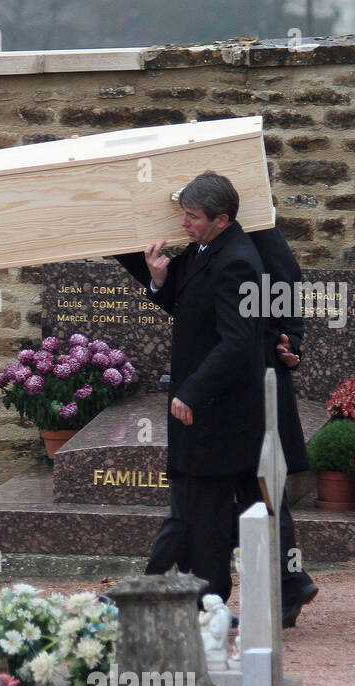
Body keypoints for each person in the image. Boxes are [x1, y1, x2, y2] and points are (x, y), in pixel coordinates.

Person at [114, 172, 266, 604]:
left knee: (203, 513)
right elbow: (188, 303)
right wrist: (158, 279)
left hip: (216, 410)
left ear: (221, 219)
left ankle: (194, 596)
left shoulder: (237, 260)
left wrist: (193, 391)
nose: (183, 225)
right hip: (200, 407)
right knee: (191, 508)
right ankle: (163, 591)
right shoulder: (206, 248)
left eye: (192, 217)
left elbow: (238, 340)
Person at [248, 227, 319, 627]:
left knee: (261, 485)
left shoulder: (259, 231)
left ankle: (290, 580)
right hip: (247, 372)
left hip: (257, 374)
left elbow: (286, 279)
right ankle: (291, 580)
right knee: (256, 485)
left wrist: (291, 337)